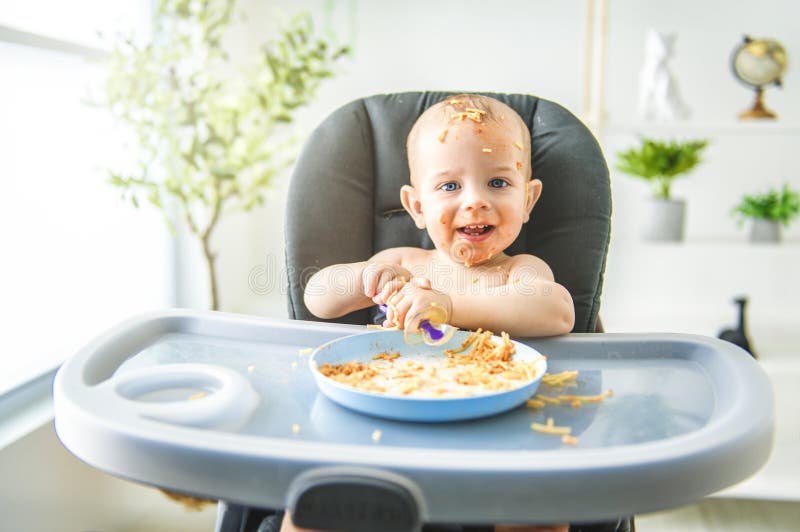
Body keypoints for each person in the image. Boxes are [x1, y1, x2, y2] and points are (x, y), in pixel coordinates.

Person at [289, 94, 574, 532]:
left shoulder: (519, 271)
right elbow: (317, 297)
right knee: (316, 505)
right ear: (417, 207)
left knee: (540, 508)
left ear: (528, 200)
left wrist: (450, 306)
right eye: (449, 186)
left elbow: (557, 312)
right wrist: (366, 276)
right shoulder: (404, 265)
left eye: (498, 183)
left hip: (496, 435)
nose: (475, 201)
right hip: (389, 428)